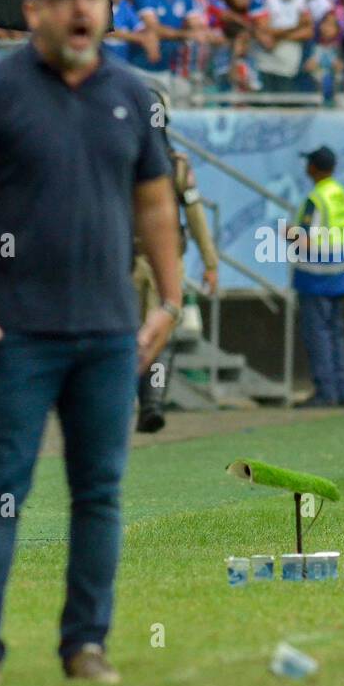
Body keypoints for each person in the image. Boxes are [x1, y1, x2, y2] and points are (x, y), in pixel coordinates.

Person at [0, 0, 182, 686]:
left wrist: (170, 297)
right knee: (4, 487)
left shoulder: (132, 93)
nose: (82, 6)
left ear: (106, 9)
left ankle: (85, 645)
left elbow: (155, 200)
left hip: (108, 333)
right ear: (35, 8)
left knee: (99, 494)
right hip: (18, 331)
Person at [133, 92, 220, 433]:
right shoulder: (178, 164)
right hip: (167, 262)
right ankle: (152, 402)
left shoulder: (119, 156)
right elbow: (195, 215)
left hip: (127, 259)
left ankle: (132, 401)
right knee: (160, 332)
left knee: (126, 331)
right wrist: (210, 263)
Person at [288, 145, 344, 408]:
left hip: (316, 275)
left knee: (318, 334)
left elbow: (303, 239)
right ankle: (342, 391)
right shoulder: (340, 193)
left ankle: (325, 392)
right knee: (336, 333)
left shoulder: (316, 198)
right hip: (341, 273)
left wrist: (287, 233)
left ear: (313, 168)